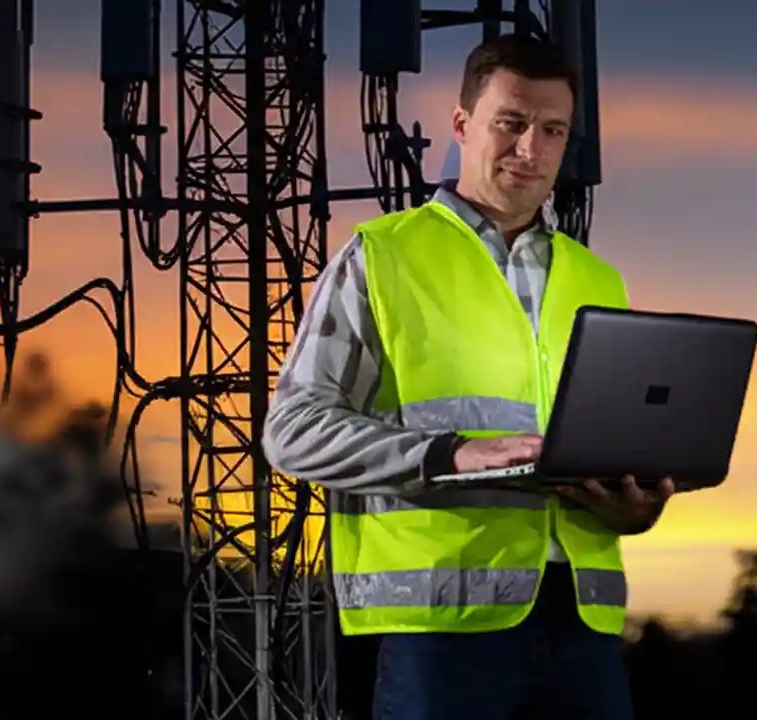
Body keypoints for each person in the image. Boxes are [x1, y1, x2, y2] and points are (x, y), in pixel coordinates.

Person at [262, 33, 674, 720]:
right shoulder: (383, 256)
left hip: (583, 624)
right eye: (510, 124)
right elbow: (293, 431)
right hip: (440, 629)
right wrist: (449, 453)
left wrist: (633, 506)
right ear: (461, 125)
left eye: (552, 131)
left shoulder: (598, 279)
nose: (530, 150)